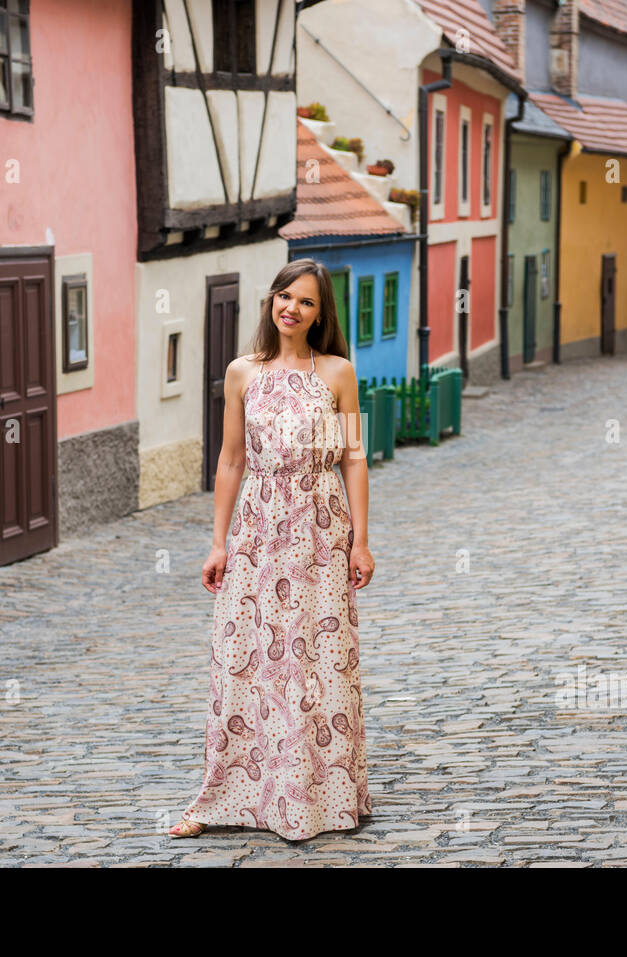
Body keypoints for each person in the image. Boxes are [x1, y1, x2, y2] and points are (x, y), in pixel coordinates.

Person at [168, 258, 375, 841]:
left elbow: (354, 457)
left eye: (307, 302)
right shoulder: (242, 373)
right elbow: (231, 460)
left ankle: (319, 798)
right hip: (257, 532)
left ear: (320, 314)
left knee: (317, 658)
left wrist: (361, 541)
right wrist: (217, 543)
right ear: (271, 300)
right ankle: (228, 795)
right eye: (286, 296)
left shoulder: (338, 373)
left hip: (320, 531)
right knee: (247, 655)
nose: (293, 308)